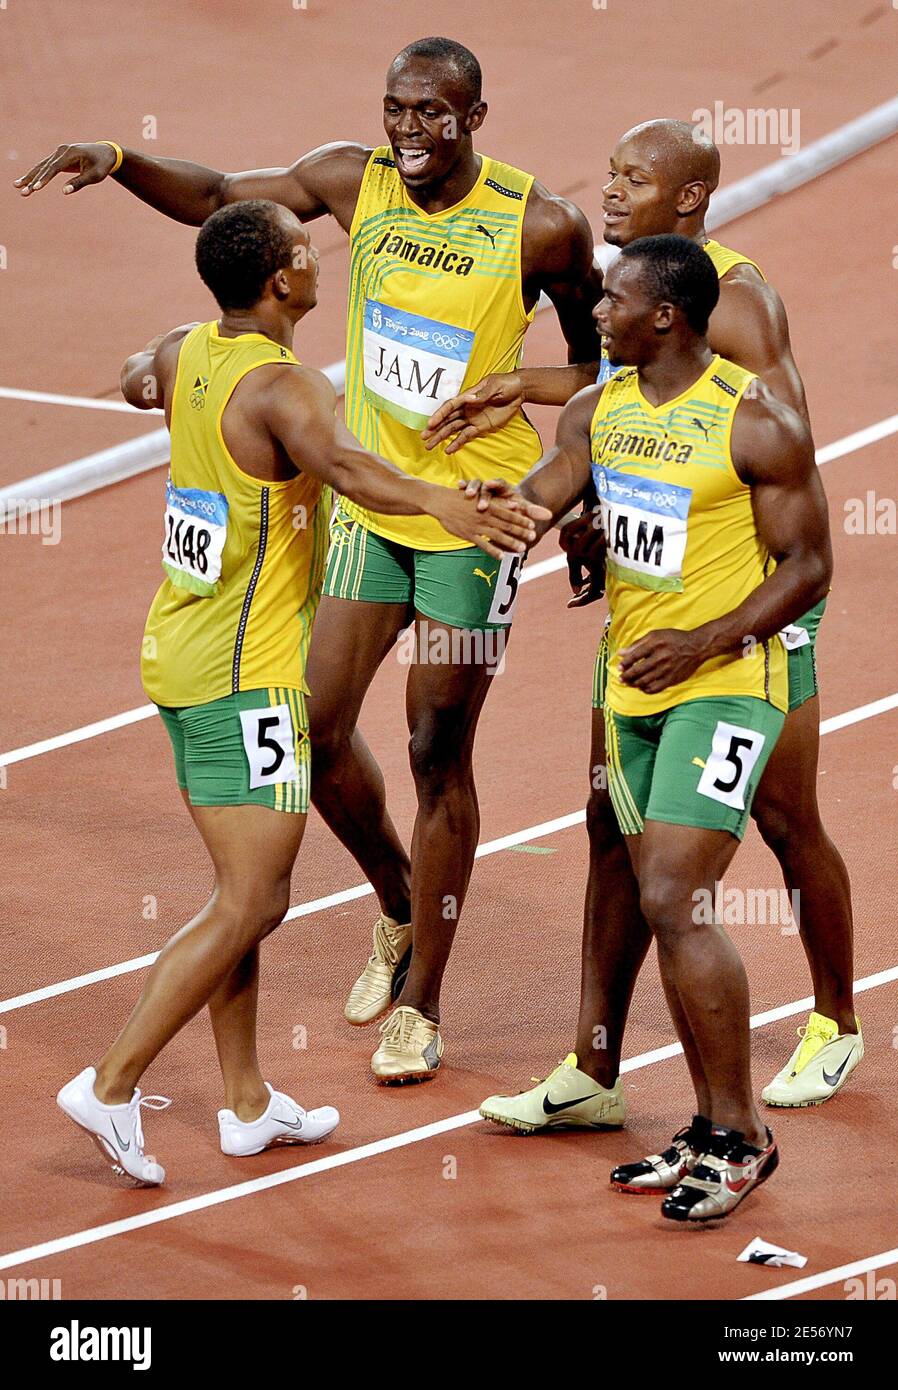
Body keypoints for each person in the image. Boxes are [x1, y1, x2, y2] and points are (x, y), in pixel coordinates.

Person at [19, 37, 602, 1083]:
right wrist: (119, 157)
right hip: (371, 504)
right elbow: (219, 196)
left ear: (475, 114)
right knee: (317, 726)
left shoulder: (542, 225)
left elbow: (597, 366)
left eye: (433, 113)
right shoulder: (350, 177)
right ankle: (397, 905)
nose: (410, 131)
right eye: (397, 109)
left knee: (435, 745)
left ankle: (422, 1002)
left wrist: (569, 471)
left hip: (473, 516)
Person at [56, 199, 543, 1186]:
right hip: (249, 675)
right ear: (283, 279)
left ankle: (244, 1103)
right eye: (302, 249)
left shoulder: (187, 347)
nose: (320, 259)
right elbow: (355, 469)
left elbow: (133, 379)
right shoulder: (284, 389)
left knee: (240, 895)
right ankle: (109, 1085)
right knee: (258, 895)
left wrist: (173, 397)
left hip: (181, 649)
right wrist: (451, 501)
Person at [425, 119, 860, 1116]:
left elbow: (768, 446)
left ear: (691, 202)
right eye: (611, 172)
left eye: (633, 179)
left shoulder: (739, 302)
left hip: (754, 601)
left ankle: (835, 1021)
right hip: (650, 613)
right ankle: (592, 1069)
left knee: (788, 820)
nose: (609, 194)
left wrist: (746, 618)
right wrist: (579, 461)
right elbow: (639, 393)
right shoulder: (644, 308)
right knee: (607, 823)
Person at [468, 236, 833, 1219]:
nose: (593, 309)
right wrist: (500, 510)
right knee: (660, 897)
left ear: (665, 315)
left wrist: (704, 640)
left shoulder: (756, 421)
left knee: (678, 892)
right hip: (632, 685)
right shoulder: (599, 408)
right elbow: (552, 489)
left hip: (725, 682)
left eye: (612, 299)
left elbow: (807, 568)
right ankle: (713, 1127)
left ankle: (749, 1133)